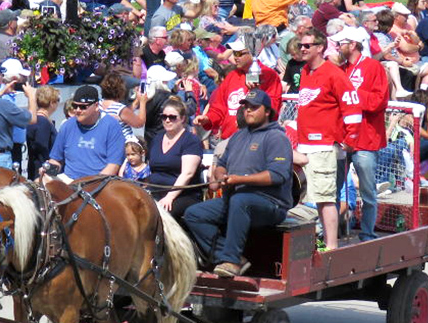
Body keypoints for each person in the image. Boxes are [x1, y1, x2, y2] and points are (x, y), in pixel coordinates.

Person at [184, 89, 293, 277]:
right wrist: (220, 176)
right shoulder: (238, 136)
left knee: (241, 200)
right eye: (246, 107)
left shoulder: (276, 137)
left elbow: (277, 175)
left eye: (254, 107)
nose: (248, 111)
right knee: (194, 213)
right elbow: (222, 164)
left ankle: (231, 260)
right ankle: (227, 256)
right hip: (237, 200)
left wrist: (239, 179)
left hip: (270, 203)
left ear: (267, 111)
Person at [297, 28, 362, 250]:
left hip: (325, 146)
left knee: (325, 197)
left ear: (320, 47)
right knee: (305, 196)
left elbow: (352, 108)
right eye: (301, 45)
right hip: (305, 145)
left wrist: (350, 138)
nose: (302, 49)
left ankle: (331, 245)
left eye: (307, 45)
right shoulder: (306, 71)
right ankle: (314, 241)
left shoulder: (334, 73)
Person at [332, 26, 389, 242]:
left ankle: (367, 234)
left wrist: (351, 95)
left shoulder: (373, 67)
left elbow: (378, 101)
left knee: (367, 191)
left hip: (366, 138)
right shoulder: (341, 69)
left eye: (341, 43)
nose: (337, 46)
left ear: (353, 44)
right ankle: (334, 233)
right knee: (334, 189)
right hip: (342, 138)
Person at [42, 85, 125, 180]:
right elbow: (56, 160)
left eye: (83, 107)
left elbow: (113, 166)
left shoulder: (112, 126)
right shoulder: (67, 125)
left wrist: (89, 184)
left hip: (100, 182)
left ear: (96, 106)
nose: (77, 110)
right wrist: (48, 171)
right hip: (69, 179)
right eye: (75, 106)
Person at [147, 96, 203, 219]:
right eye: (164, 116)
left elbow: (187, 174)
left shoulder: (191, 141)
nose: (167, 120)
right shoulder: (157, 138)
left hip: (182, 195)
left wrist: (170, 197)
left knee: (160, 214)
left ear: (182, 119)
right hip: (155, 191)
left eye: (172, 117)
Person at [26, 85, 59, 180]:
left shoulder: (37, 119)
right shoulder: (42, 122)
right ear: (52, 103)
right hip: (42, 170)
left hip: (36, 167)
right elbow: (42, 149)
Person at [99, 72, 143, 139]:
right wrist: (143, 102)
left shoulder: (99, 104)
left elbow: (126, 115)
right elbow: (139, 123)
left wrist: (137, 101)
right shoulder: (120, 109)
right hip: (124, 143)